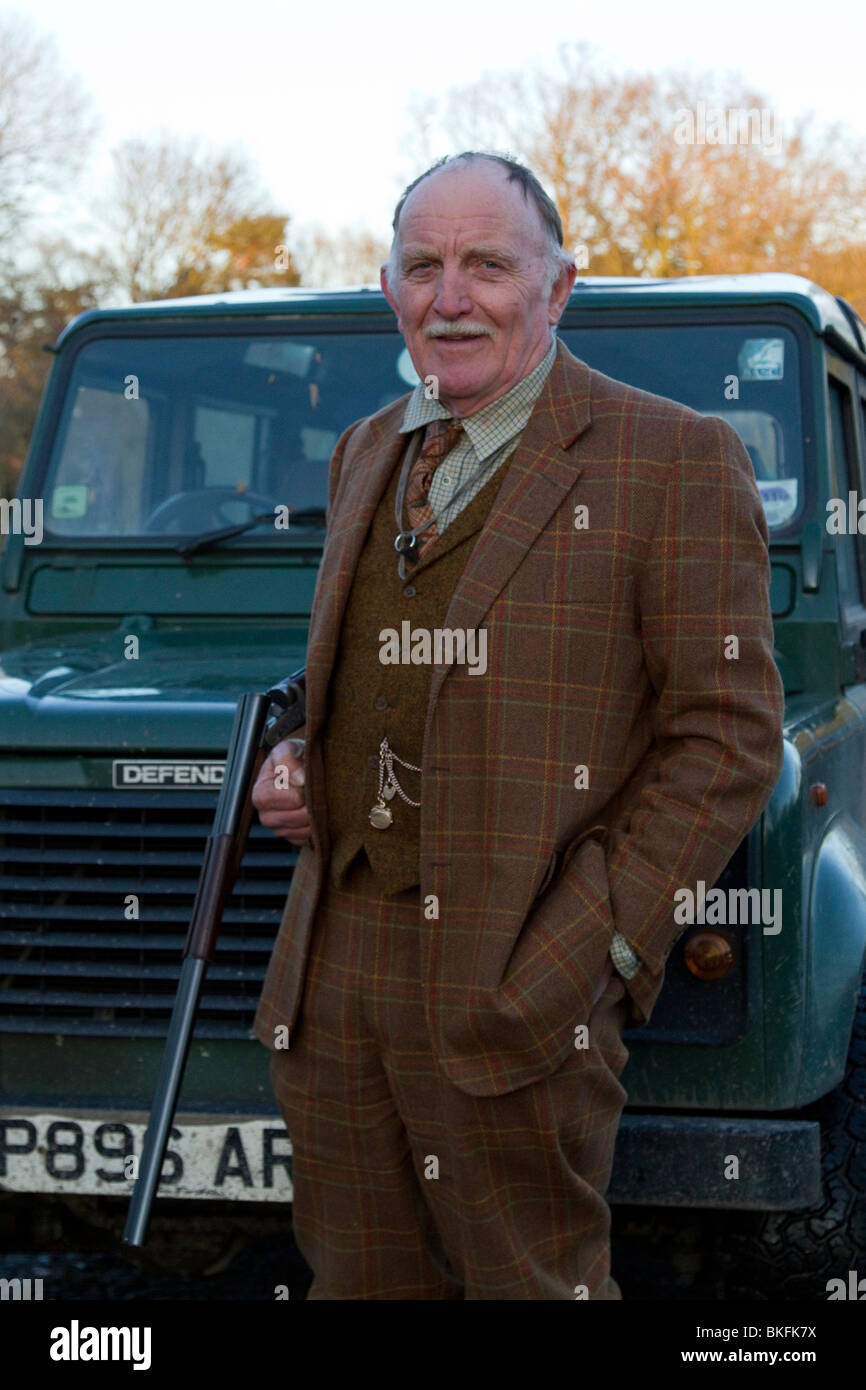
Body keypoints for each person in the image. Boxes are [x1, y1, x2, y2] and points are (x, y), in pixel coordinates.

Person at [252, 150, 785, 1300]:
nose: (451, 297)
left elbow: (728, 736)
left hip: (519, 969)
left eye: (488, 265)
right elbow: (347, 676)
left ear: (558, 286)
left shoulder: (674, 457)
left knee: (530, 1287)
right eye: (422, 265)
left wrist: (592, 949)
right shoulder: (364, 451)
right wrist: (297, 755)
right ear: (388, 287)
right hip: (331, 969)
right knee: (356, 1281)